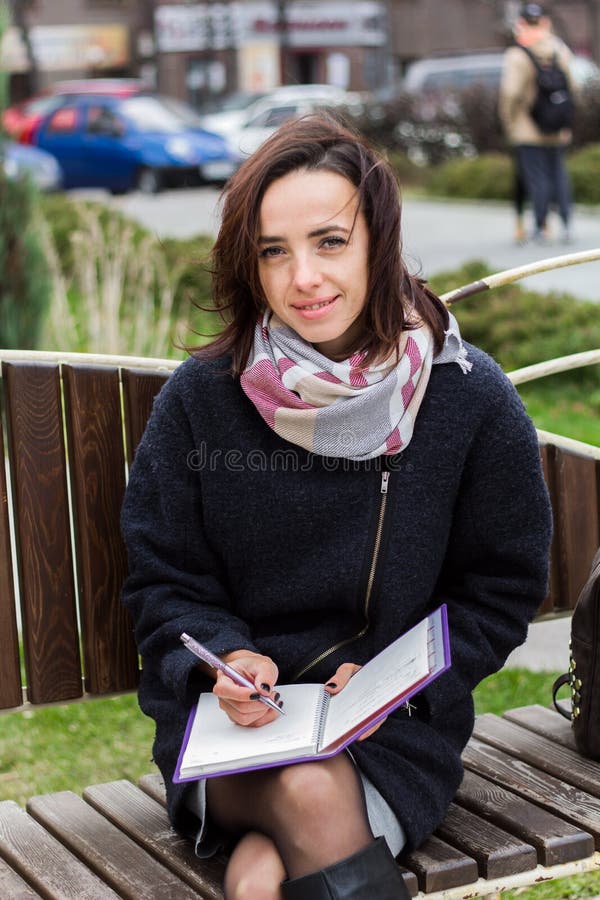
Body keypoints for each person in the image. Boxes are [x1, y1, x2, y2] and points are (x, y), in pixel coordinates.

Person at [120, 113, 553, 900]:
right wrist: (222, 659)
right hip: (230, 735)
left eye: (328, 241)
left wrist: (399, 683)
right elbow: (164, 582)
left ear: (377, 242)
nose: (304, 280)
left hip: (392, 732)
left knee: (259, 878)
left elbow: (502, 585)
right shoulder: (202, 403)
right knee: (307, 791)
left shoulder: (466, 397)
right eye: (273, 252)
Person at [499, 2, 576, 244]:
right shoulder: (559, 49)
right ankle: (566, 223)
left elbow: (510, 92)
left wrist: (509, 121)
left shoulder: (518, 54)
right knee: (558, 175)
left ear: (521, 24)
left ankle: (541, 226)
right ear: (545, 23)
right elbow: (574, 86)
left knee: (537, 177)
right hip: (557, 127)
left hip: (526, 129)